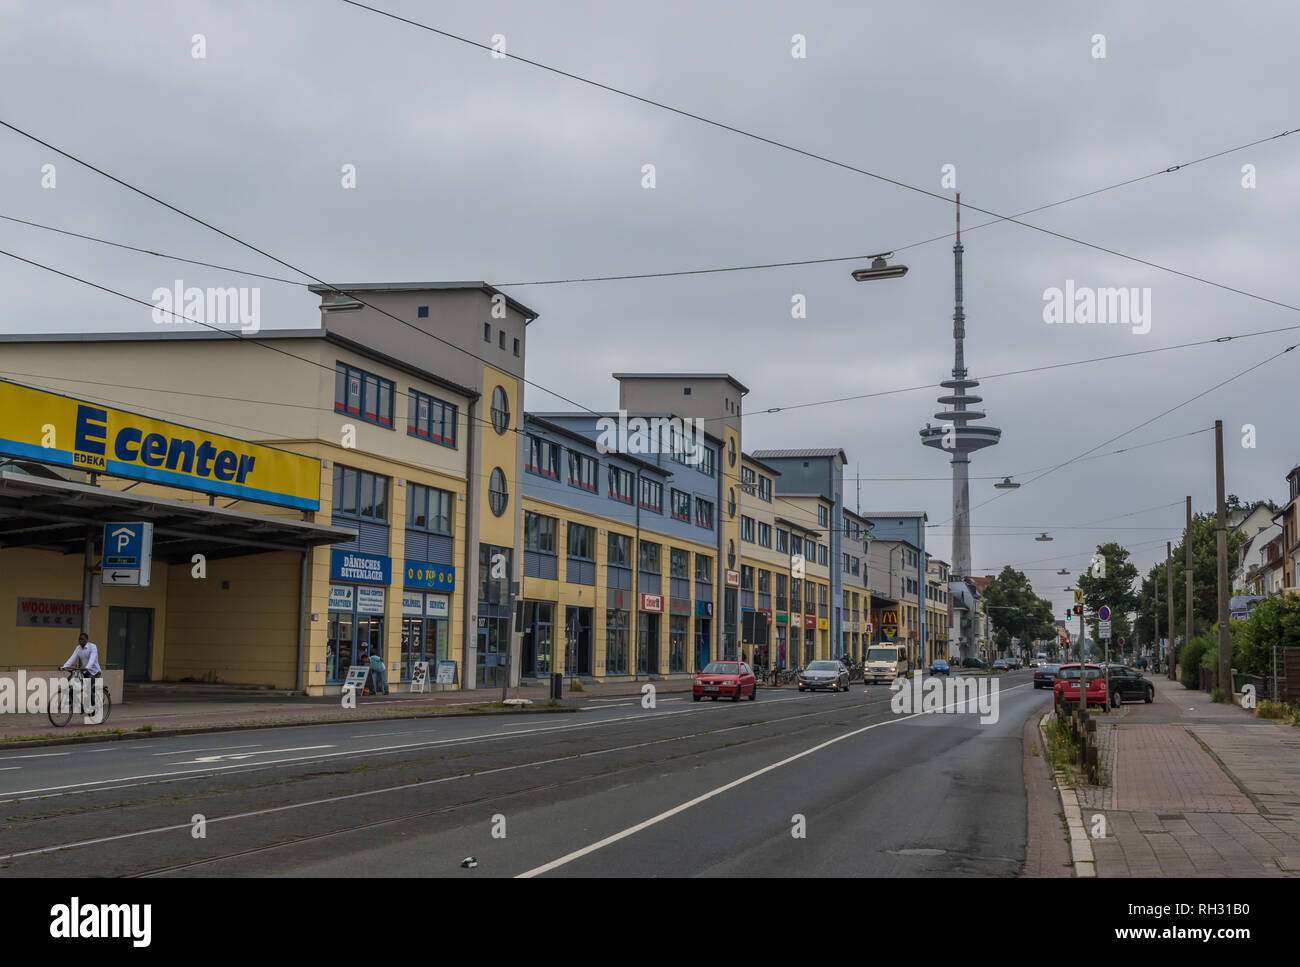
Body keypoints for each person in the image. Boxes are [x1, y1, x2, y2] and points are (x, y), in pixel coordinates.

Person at [62, 631, 103, 715]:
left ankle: (93, 707)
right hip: (84, 671)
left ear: (87, 640)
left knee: (87, 688)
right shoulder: (78, 648)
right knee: (70, 683)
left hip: (95, 672)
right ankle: (79, 707)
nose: (80, 641)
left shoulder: (93, 647)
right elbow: (72, 658)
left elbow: (92, 659)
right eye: (79, 639)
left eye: (82, 639)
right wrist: (64, 666)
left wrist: (87, 667)